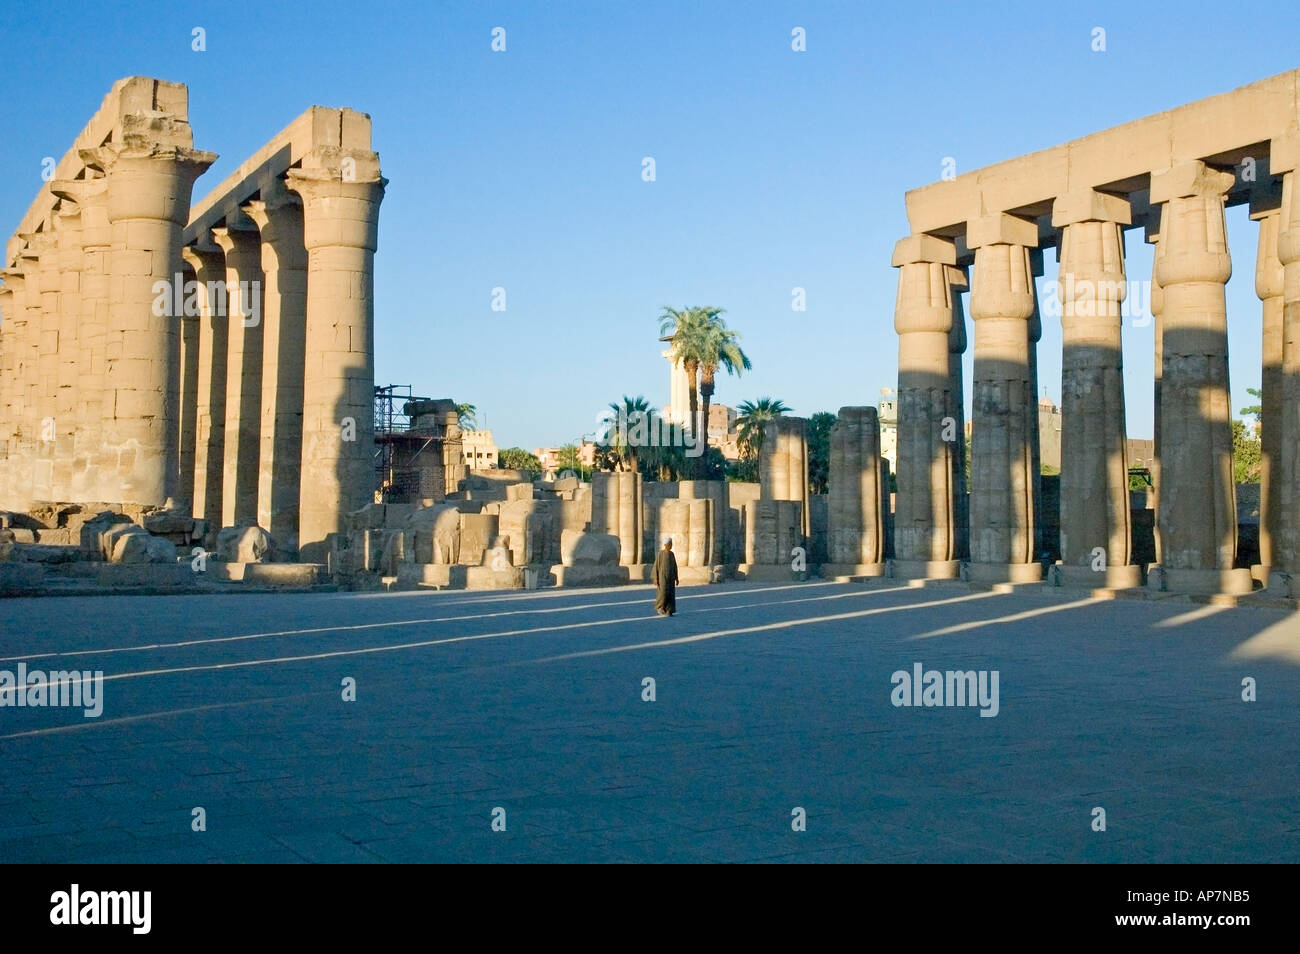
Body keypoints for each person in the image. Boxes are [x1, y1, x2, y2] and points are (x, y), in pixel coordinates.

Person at [652, 538, 678, 616]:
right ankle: (660, 607)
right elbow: (656, 566)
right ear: (665, 545)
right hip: (662, 577)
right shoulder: (661, 554)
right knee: (662, 593)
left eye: (671, 544)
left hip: (671, 577)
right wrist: (655, 578)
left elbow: (675, 566)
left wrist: (676, 577)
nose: (670, 546)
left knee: (670, 594)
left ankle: (669, 610)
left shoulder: (672, 554)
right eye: (669, 544)